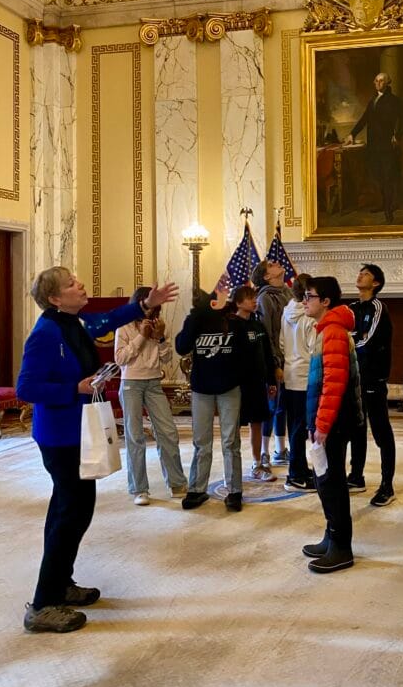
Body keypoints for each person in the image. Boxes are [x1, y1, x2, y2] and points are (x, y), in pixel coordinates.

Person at [16, 268, 178, 633]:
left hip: (78, 432)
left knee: (76, 509)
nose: (81, 285)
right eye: (73, 284)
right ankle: (42, 604)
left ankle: (62, 583)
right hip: (59, 436)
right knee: (67, 513)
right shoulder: (45, 334)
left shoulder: (74, 323)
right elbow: (26, 387)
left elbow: (111, 318)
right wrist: (73, 388)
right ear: (56, 298)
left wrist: (145, 304)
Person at [302, 277, 363, 573]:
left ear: (325, 301)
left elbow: (334, 383)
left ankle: (342, 547)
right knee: (325, 481)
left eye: (309, 296)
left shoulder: (335, 332)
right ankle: (331, 536)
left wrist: (322, 425)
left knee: (333, 483)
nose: (304, 301)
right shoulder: (327, 329)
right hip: (329, 419)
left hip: (335, 421)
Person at [175, 290, 254, 513]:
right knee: (201, 441)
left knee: (231, 441)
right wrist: (196, 317)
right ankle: (197, 488)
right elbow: (181, 347)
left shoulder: (235, 322)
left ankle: (234, 490)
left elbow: (245, 354)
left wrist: (239, 379)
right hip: (202, 388)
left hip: (230, 387)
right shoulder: (196, 321)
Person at [115, 286, 188, 506]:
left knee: (167, 431)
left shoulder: (158, 324)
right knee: (135, 436)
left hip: (154, 383)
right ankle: (139, 489)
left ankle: (176, 482)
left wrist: (160, 338)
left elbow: (166, 359)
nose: (152, 311)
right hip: (131, 384)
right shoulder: (124, 326)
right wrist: (141, 337)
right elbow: (121, 359)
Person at [347, 263, 397, 507]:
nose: (360, 275)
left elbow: (367, 339)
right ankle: (356, 476)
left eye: (366, 273)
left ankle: (387, 484)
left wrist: (349, 339)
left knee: (381, 432)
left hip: (373, 378)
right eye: (360, 272)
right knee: (356, 428)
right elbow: (343, 333)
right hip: (354, 378)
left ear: (375, 283)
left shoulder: (378, 307)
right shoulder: (351, 307)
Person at [228, 285, 278, 483]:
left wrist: (271, 380)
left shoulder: (258, 326)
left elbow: (267, 354)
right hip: (237, 386)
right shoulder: (231, 325)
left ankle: (257, 464)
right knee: (233, 427)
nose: (254, 300)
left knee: (257, 423)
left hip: (258, 384)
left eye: (254, 297)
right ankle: (231, 466)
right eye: (249, 298)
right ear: (238, 303)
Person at [344, 72, 403, 222]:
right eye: (376, 81)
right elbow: (364, 119)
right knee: (377, 176)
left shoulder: (394, 101)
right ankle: (384, 203)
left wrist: (397, 135)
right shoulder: (372, 101)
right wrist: (352, 134)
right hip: (373, 146)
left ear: (387, 83)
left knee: (387, 177)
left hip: (386, 145)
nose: (378, 83)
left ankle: (388, 210)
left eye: (382, 81)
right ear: (374, 83)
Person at [251, 259, 292, 465]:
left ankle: (281, 448)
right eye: (271, 265)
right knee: (271, 404)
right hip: (274, 358)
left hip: (290, 357)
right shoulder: (265, 298)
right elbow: (266, 333)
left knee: (283, 404)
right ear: (267, 276)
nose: (277, 263)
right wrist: (274, 363)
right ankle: (265, 451)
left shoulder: (288, 293)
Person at [280, 273, 317, 492]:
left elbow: (282, 343)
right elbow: (315, 349)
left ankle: (299, 468)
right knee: (301, 428)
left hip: (289, 373)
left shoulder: (287, 312)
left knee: (294, 425)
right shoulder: (309, 317)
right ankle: (296, 475)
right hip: (305, 376)